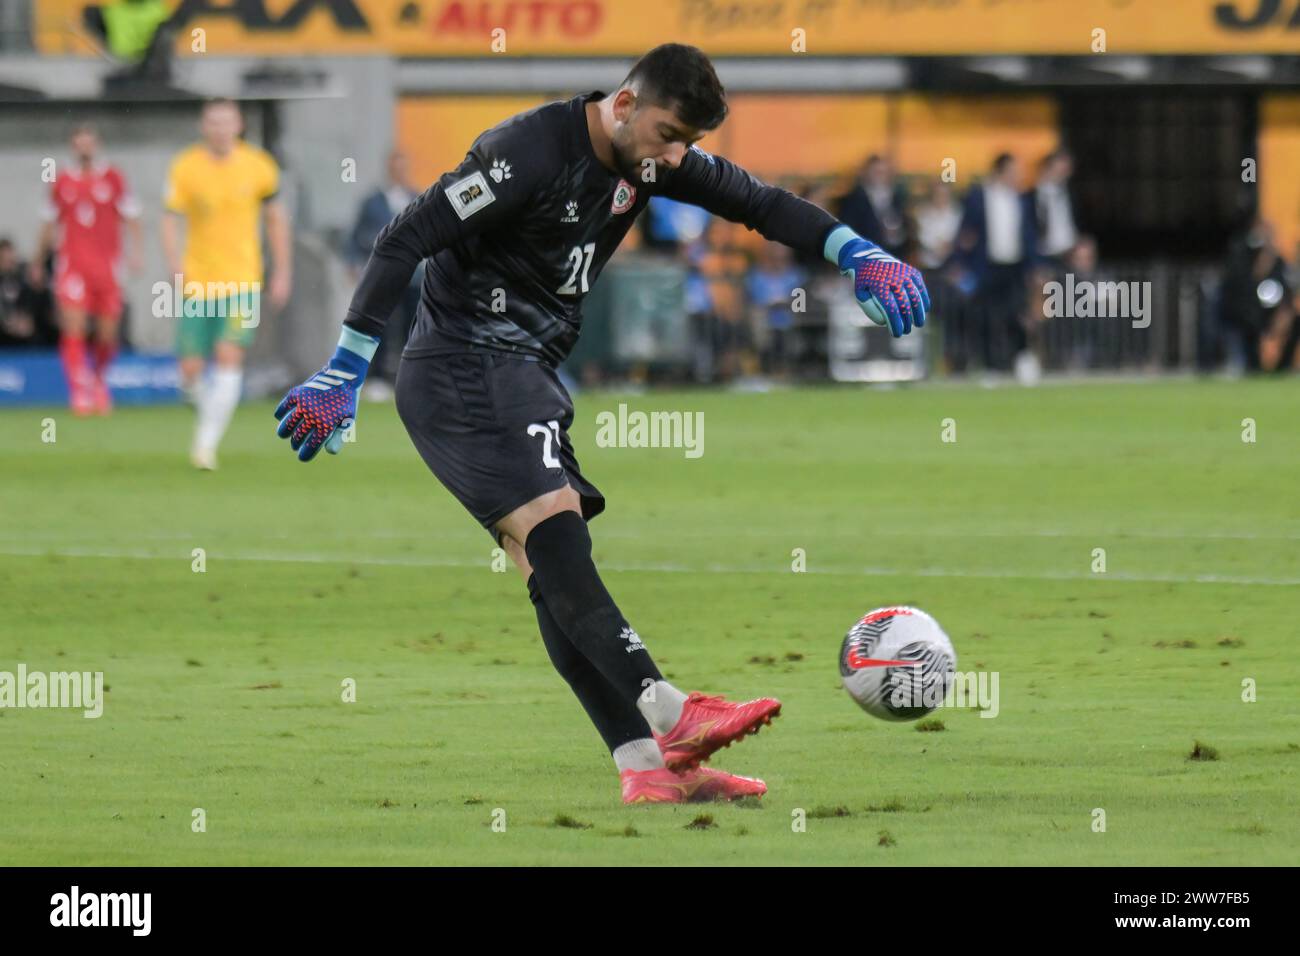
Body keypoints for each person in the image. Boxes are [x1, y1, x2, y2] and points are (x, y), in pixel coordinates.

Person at [272, 44, 929, 804]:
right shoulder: (525, 153)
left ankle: (645, 769)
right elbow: (405, 236)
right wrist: (345, 367)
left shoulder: (651, 155)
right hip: (466, 366)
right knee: (557, 530)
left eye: (688, 143)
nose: (675, 156)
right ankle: (670, 712)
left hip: (521, 372)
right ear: (624, 104)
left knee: (547, 570)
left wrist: (857, 250)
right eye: (667, 135)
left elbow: (758, 202)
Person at [162, 98, 292, 470]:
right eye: (213, 122)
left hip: (242, 281)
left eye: (226, 121)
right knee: (189, 371)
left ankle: (205, 446)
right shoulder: (186, 166)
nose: (220, 128)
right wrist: (174, 263)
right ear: (205, 127)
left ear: (238, 125)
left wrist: (282, 271)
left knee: (229, 356)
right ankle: (206, 412)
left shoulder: (259, 166)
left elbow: (276, 220)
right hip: (198, 282)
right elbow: (170, 219)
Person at [31, 123, 143, 414]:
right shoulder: (60, 180)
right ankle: (79, 389)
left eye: (88, 143)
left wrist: (136, 254)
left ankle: (98, 378)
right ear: (73, 146)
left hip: (107, 267)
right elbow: (48, 224)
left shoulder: (114, 177)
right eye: (79, 143)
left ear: (96, 145)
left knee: (107, 333)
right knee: (74, 326)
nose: (84, 148)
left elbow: (132, 218)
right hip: (73, 266)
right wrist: (39, 262)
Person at [345, 150, 422, 396]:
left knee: (414, 325)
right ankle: (377, 379)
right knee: (381, 325)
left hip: (415, 275)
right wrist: (353, 265)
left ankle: (413, 376)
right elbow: (355, 236)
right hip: (383, 274)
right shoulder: (373, 201)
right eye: (394, 166)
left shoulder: (419, 197)